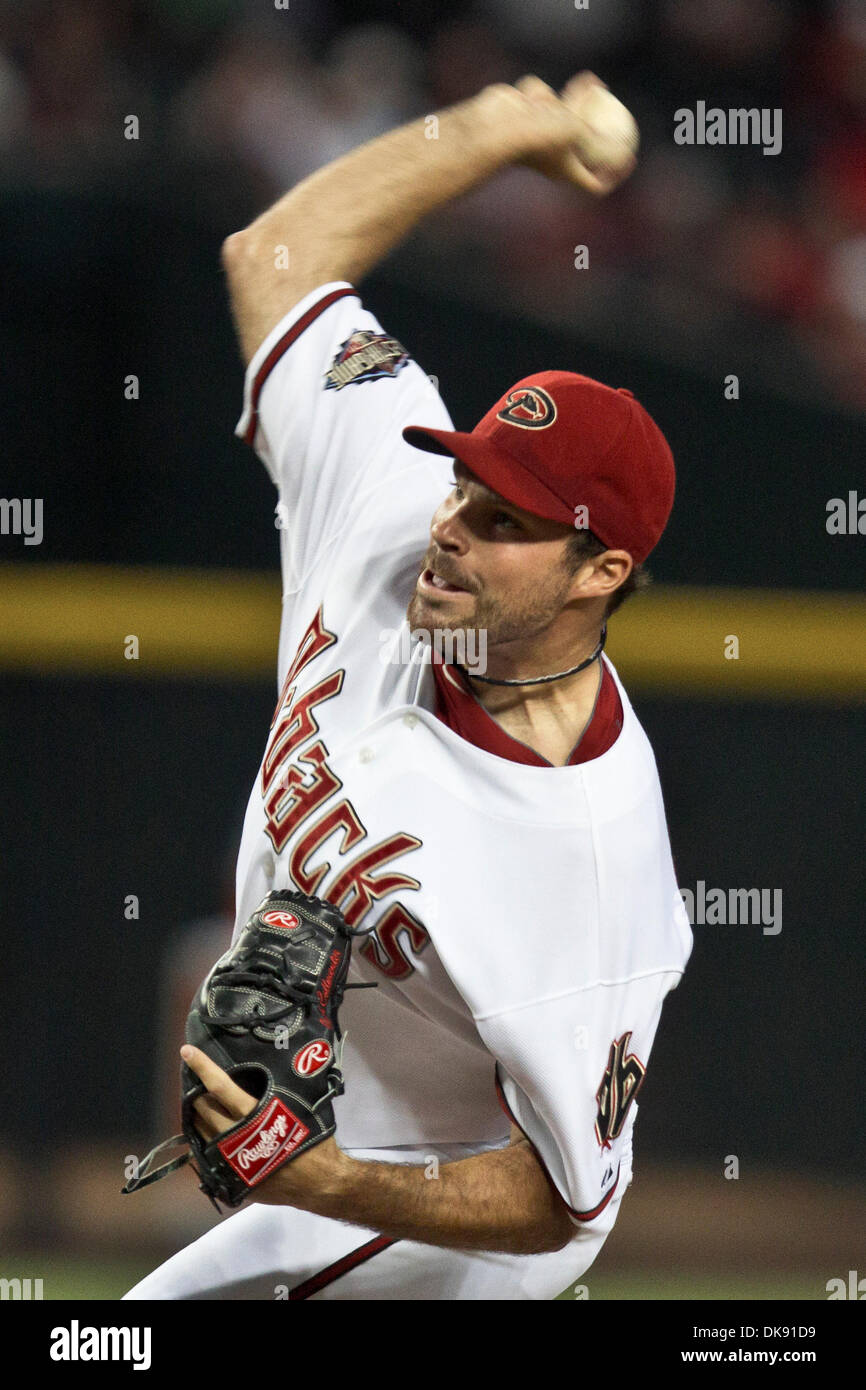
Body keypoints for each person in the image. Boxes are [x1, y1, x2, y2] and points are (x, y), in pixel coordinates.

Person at [124, 71, 692, 1301]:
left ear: (600, 569)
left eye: (503, 522)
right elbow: (278, 251)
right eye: (461, 486)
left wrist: (323, 1179)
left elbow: (562, 1198)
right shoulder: (393, 511)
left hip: (456, 1212)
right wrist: (491, 131)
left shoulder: (585, 867)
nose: (449, 529)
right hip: (325, 1175)